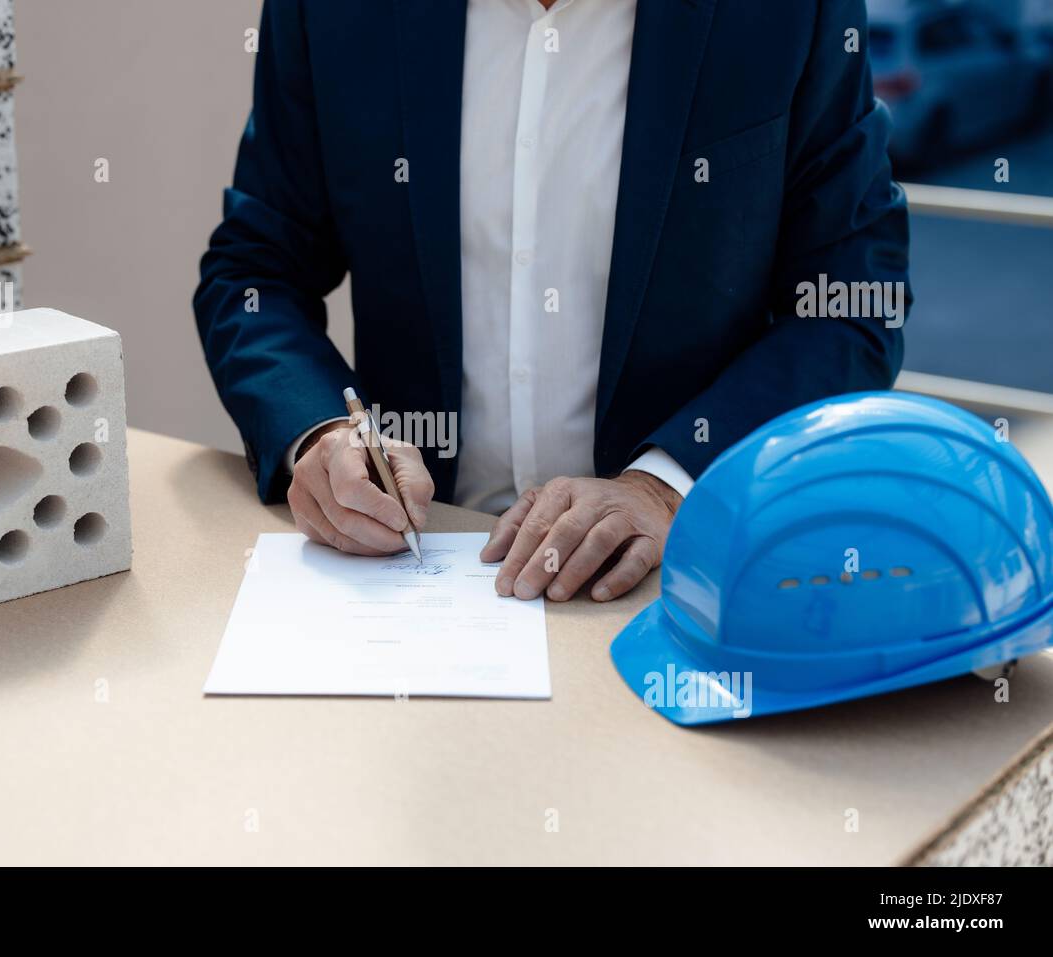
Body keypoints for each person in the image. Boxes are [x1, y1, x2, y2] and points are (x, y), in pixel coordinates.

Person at [195, 0, 910, 603]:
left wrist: (666, 488)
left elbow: (849, 302)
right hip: (415, 580)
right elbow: (256, 270)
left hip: (676, 580)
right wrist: (320, 432)